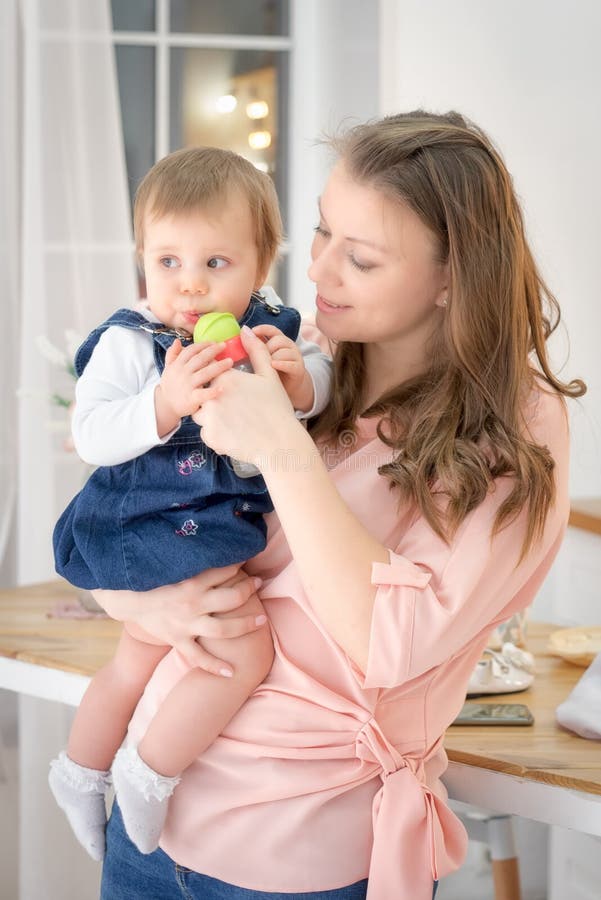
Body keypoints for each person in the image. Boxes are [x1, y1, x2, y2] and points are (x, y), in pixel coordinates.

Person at [92, 110, 584, 900]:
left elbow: (391, 644)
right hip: (151, 824)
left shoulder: (513, 426)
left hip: (293, 860)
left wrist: (283, 451)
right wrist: (148, 604)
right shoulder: (297, 355)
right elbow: (117, 518)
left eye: (359, 257)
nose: (318, 271)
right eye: (321, 233)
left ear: (453, 276)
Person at [48, 146, 333, 862]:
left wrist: (303, 389)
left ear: (260, 264)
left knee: (136, 660)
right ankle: (149, 771)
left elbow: (322, 384)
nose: (189, 288)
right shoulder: (127, 341)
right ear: (142, 258)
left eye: (216, 264)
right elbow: (90, 434)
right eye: (167, 262)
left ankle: (80, 772)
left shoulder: (267, 331)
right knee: (242, 652)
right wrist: (162, 402)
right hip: (139, 524)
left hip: (206, 532)